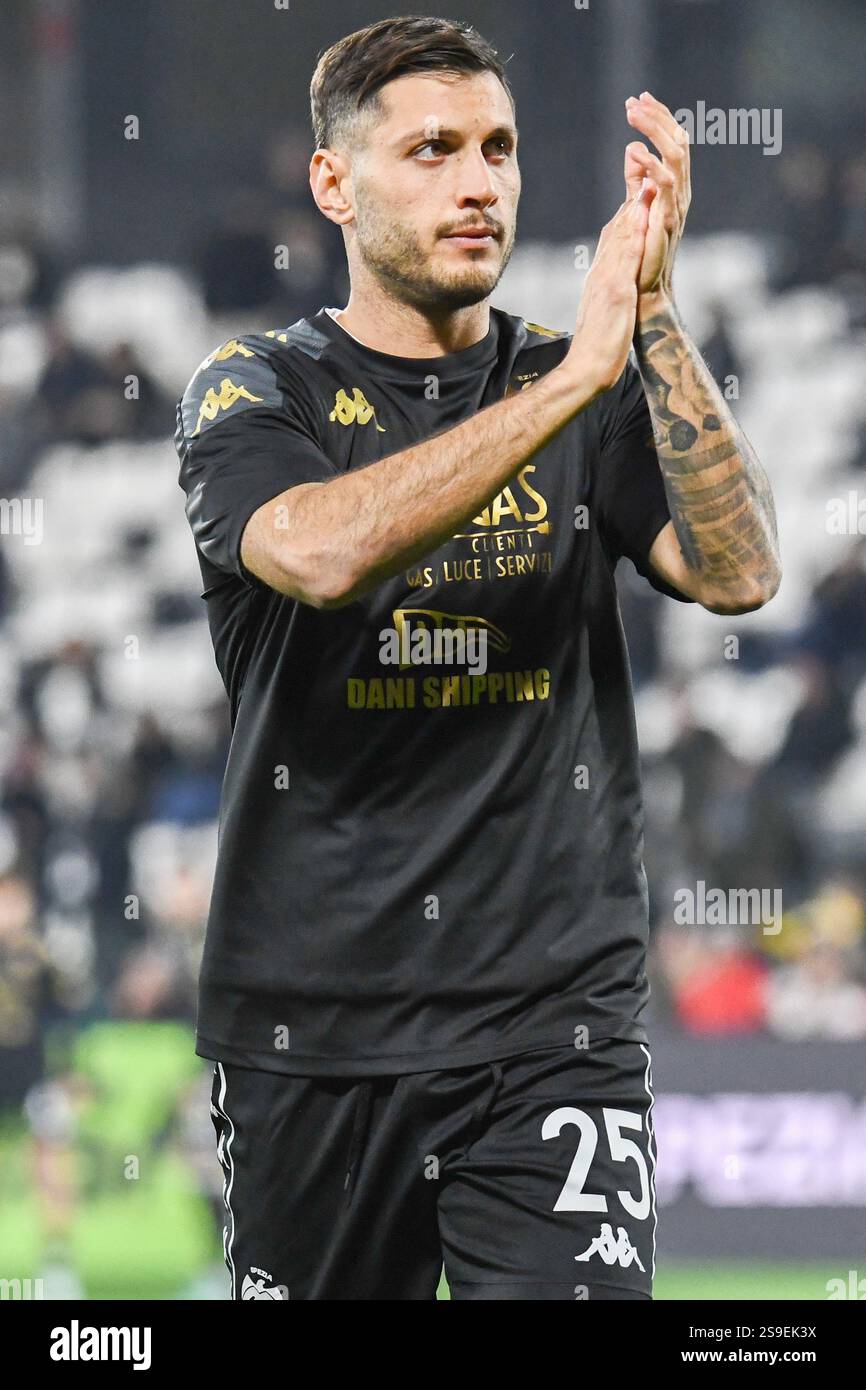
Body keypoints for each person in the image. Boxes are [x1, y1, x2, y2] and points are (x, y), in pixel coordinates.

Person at [175, 15, 780, 1300]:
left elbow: (738, 574)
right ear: (333, 183)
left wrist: (652, 312)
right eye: (432, 149)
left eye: (497, 148)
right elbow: (317, 553)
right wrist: (567, 388)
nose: (477, 181)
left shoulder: (593, 379)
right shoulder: (252, 391)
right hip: (314, 1031)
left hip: (554, 1026)